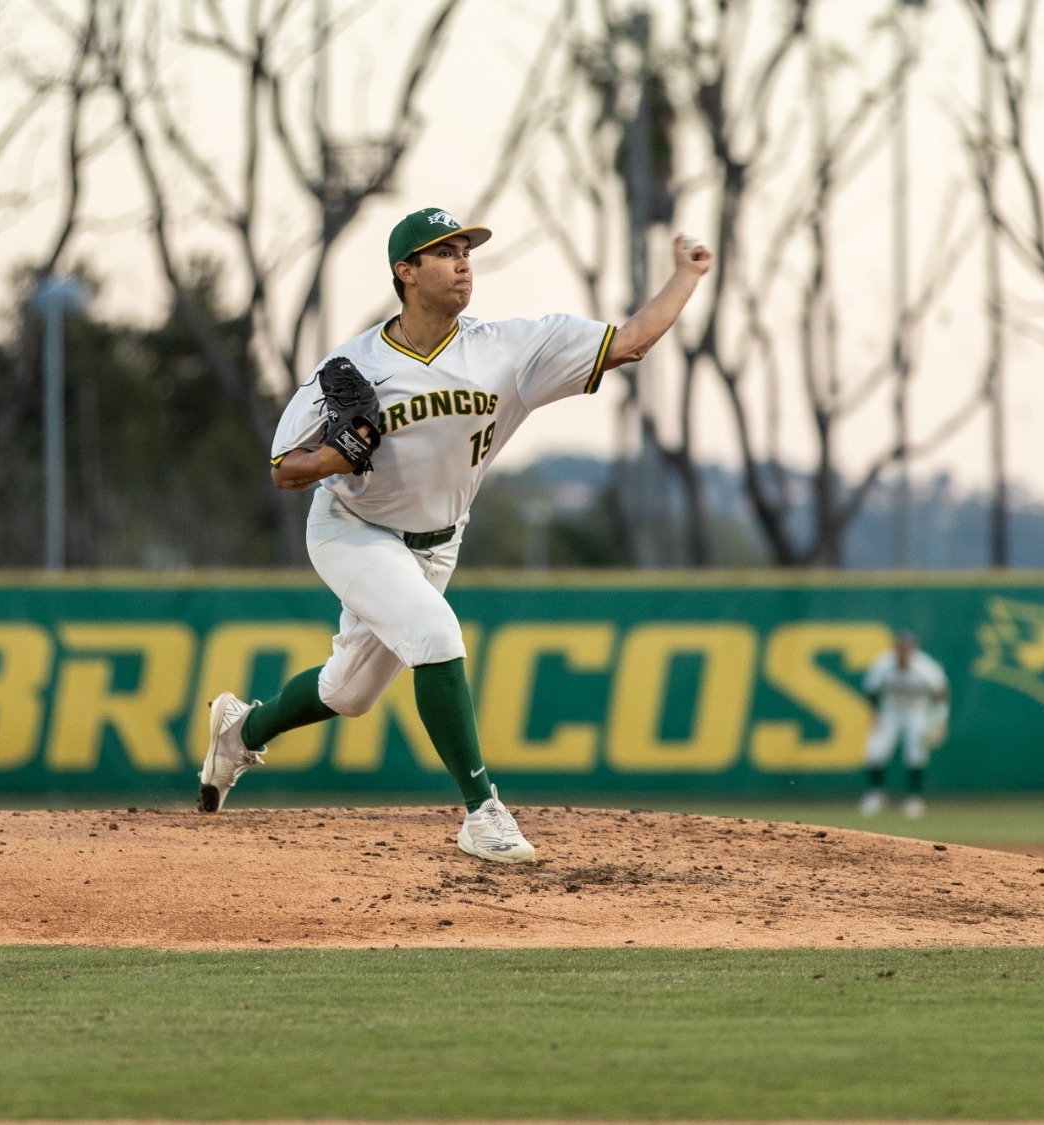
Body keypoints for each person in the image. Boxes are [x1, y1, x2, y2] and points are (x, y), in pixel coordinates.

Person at [197, 206, 712, 863]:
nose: (463, 261)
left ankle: (239, 732)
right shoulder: (352, 365)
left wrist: (685, 277)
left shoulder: (510, 350)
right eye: (444, 252)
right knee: (436, 634)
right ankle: (482, 809)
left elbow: (632, 341)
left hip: (439, 541)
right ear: (405, 272)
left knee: (348, 692)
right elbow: (283, 470)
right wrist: (334, 455)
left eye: (466, 249)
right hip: (353, 530)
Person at [860, 630, 950, 818]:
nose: (903, 652)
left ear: (913, 650)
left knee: (915, 754)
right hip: (890, 711)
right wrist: (874, 714)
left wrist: (939, 720)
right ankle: (875, 796)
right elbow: (871, 691)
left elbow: (941, 694)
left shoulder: (925, 667)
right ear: (895, 649)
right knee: (876, 750)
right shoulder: (884, 664)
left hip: (916, 713)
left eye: (907, 648)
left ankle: (913, 798)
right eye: (900, 648)